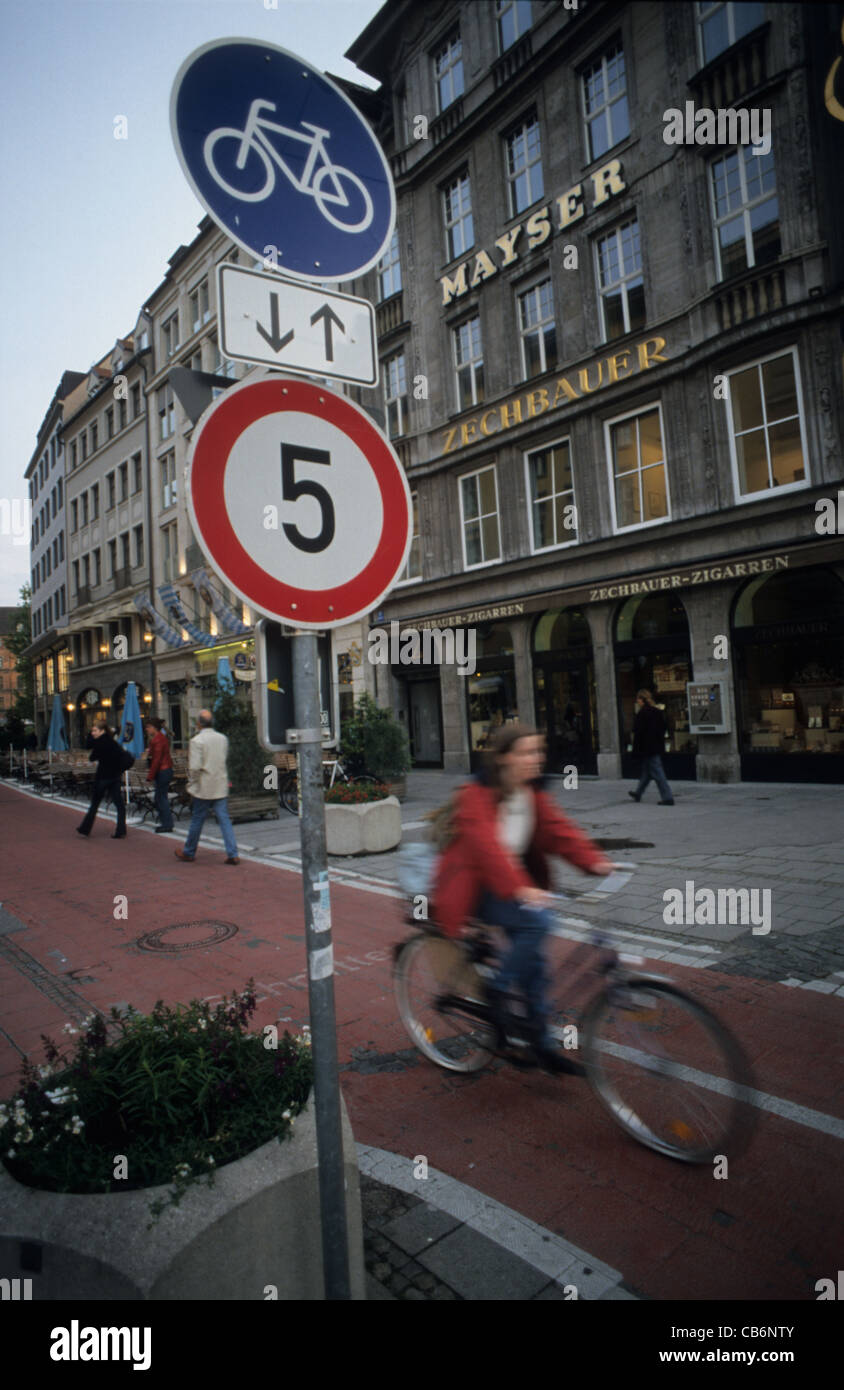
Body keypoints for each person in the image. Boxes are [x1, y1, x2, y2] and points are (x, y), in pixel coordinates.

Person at [430, 724, 613, 1072]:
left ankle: (539, 1046)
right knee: (539, 922)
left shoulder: (532, 794)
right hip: (473, 888)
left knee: (536, 968)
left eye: (538, 751)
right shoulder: (475, 794)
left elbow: (559, 831)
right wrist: (520, 887)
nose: (536, 759)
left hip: (509, 884)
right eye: (527, 752)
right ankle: (497, 991)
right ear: (503, 758)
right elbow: (487, 848)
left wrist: (596, 861)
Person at [174, 709, 239, 864]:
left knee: (197, 819)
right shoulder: (222, 738)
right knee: (224, 819)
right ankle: (233, 853)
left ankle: (189, 851)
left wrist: (190, 784)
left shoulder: (197, 741)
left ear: (198, 723)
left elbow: (195, 768)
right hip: (220, 782)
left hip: (204, 785)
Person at [76, 722, 127, 839]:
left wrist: (90, 738)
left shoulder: (100, 743)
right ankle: (121, 829)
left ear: (102, 731)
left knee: (95, 804)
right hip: (115, 776)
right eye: (92, 731)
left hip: (103, 777)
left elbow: (91, 756)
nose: (93, 733)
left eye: (94, 731)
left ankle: (85, 828)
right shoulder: (113, 743)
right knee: (119, 804)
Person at [629, 689, 674, 805]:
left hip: (647, 748)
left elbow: (638, 733)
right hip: (656, 746)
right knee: (647, 772)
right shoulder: (657, 712)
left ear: (642, 700)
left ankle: (667, 797)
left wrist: (636, 750)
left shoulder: (642, 714)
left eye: (638, 699)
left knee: (658, 773)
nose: (637, 702)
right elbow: (664, 728)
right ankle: (638, 793)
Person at [145, 717, 174, 833]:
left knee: (161, 798)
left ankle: (167, 824)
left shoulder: (157, 740)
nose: (146, 729)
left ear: (153, 727)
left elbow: (156, 759)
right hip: (165, 769)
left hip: (162, 770)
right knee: (161, 797)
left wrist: (150, 776)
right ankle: (166, 823)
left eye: (148, 727)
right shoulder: (161, 738)